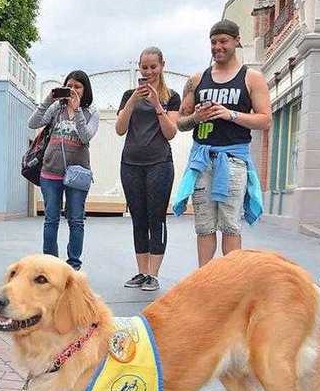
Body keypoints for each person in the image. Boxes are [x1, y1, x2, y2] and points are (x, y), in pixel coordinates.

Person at [171, 19, 272, 267]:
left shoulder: (252, 78)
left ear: (237, 41)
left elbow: (265, 120)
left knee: (230, 225)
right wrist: (196, 117)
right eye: (214, 42)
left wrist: (231, 114)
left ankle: (231, 281)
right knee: (204, 227)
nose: (218, 47)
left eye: (223, 41)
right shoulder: (197, 79)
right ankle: (205, 281)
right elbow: (180, 123)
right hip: (202, 160)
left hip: (234, 160)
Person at [116, 47, 181, 291]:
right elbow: (120, 129)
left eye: (153, 66)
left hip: (159, 164)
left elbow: (171, 132)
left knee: (156, 218)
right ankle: (142, 272)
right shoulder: (127, 95)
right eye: (144, 67)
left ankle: (154, 274)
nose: (149, 71)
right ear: (139, 69)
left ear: (162, 65)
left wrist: (156, 104)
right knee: (138, 218)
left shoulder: (171, 97)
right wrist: (133, 99)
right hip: (131, 164)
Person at [28, 70, 99, 270]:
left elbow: (85, 137)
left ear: (85, 90)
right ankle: (50, 265)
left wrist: (76, 112)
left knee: (76, 220)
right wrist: (47, 100)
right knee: (51, 219)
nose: (73, 90)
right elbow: (32, 123)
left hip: (78, 174)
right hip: (50, 171)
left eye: (78, 86)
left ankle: (73, 265)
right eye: (70, 86)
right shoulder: (55, 109)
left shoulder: (91, 112)